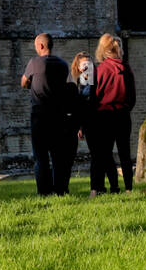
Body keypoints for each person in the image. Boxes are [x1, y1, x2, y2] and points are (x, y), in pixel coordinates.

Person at [20, 33, 77, 196]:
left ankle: (44, 192)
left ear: (42, 46)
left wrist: (31, 83)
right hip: (59, 115)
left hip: (39, 115)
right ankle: (59, 190)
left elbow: (23, 82)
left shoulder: (34, 63)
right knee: (58, 156)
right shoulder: (63, 64)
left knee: (41, 157)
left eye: (36, 46)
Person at [90, 33, 137, 194]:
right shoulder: (126, 69)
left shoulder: (98, 70)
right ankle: (128, 188)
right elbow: (132, 98)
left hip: (104, 116)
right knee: (125, 154)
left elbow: (90, 96)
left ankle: (97, 189)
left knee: (102, 153)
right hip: (123, 115)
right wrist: (124, 108)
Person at [69, 52, 95, 190]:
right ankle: (97, 187)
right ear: (78, 67)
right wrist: (80, 127)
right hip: (86, 122)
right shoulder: (78, 83)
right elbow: (79, 106)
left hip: (96, 121)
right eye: (84, 64)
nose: (86, 67)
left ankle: (101, 187)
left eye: (89, 64)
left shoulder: (93, 81)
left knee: (100, 155)